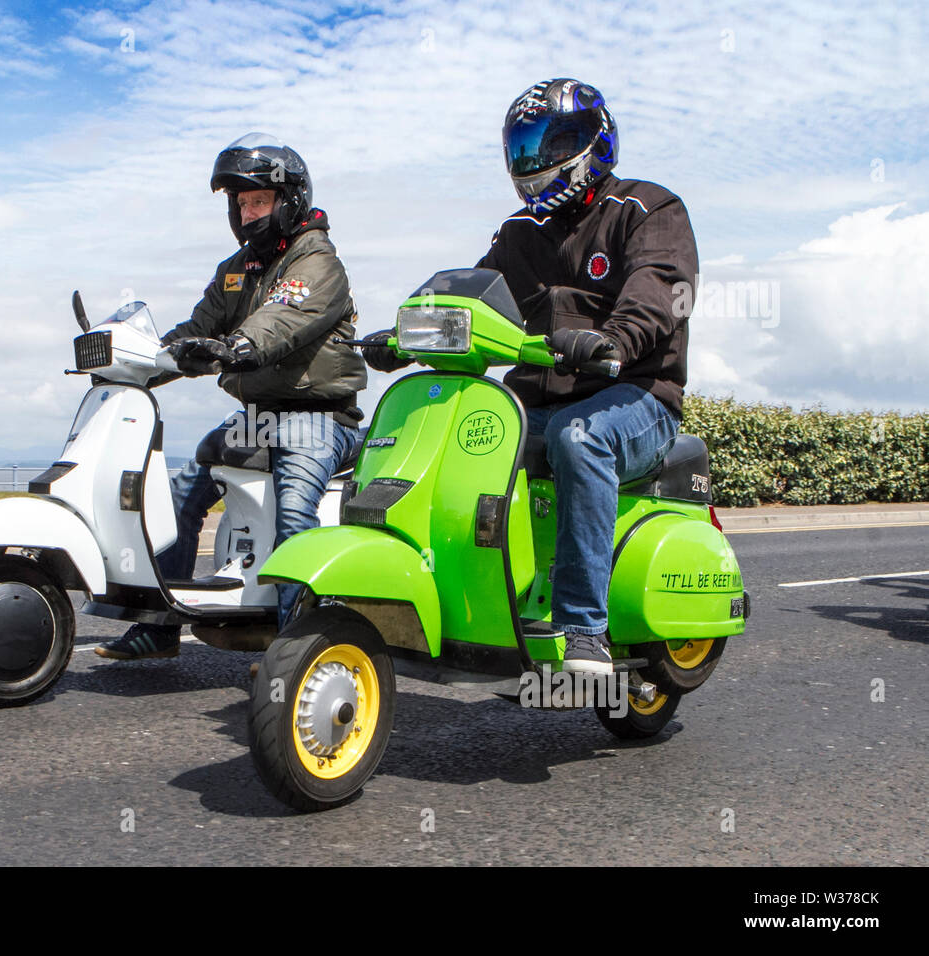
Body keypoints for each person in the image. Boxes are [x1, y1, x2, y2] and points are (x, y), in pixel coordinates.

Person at [365, 78, 697, 674]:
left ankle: (582, 626)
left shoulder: (647, 210)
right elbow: (472, 293)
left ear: (593, 141)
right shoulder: (520, 233)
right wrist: (403, 333)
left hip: (636, 398)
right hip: (540, 398)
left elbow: (662, 289)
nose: (534, 163)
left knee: (580, 437)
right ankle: (474, 600)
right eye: (523, 150)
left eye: (550, 145)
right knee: (468, 436)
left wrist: (613, 340)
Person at [95, 132, 366, 660]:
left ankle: (297, 652)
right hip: (257, 417)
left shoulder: (318, 264)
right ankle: (158, 627)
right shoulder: (237, 270)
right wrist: (137, 359)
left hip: (321, 421)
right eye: (240, 203)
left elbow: (280, 322)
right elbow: (196, 328)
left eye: (258, 200)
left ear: (289, 201)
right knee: (176, 496)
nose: (247, 213)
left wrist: (231, 348)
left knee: (294, 515)